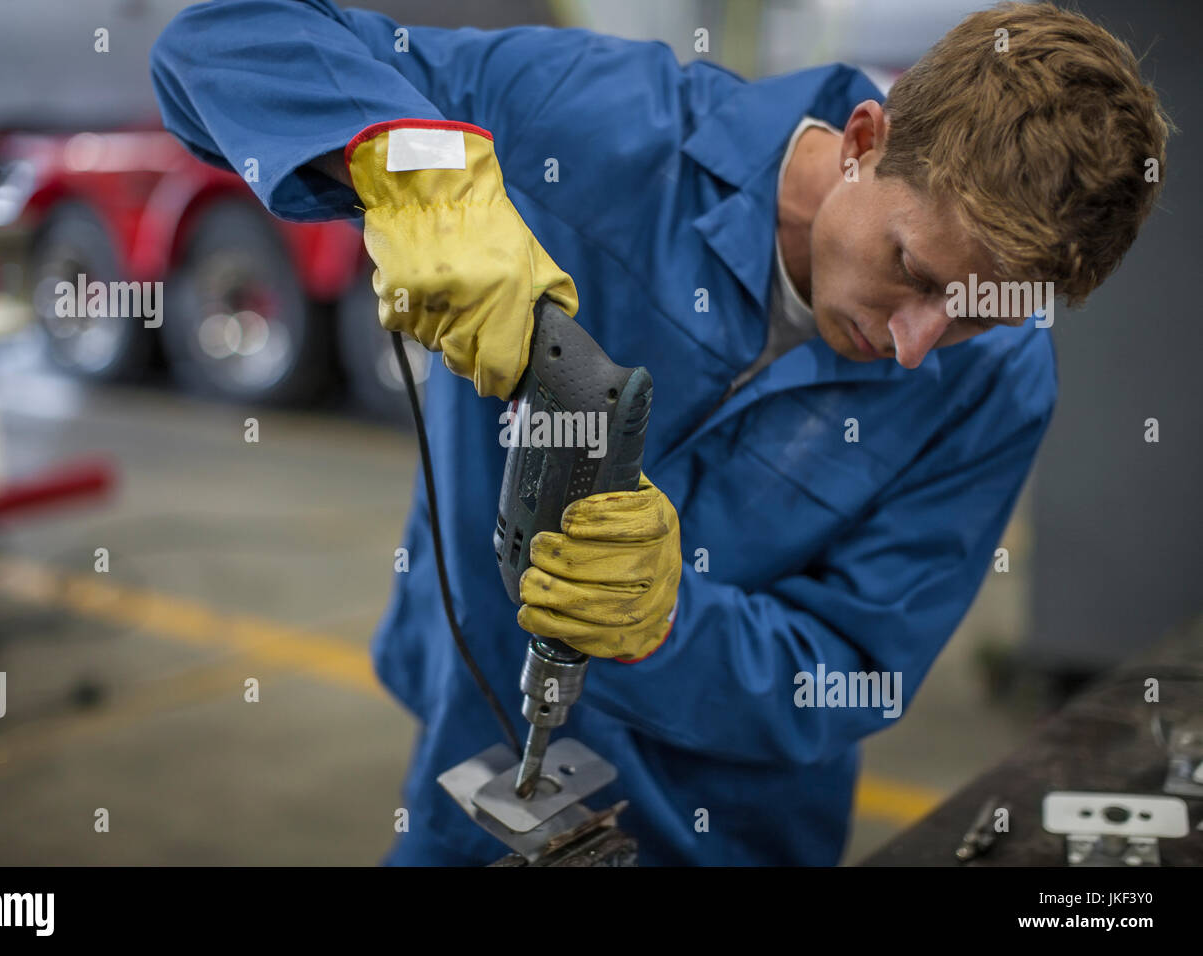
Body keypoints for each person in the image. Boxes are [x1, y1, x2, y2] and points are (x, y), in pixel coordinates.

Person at [150, 0, 1168, 865]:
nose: (916, 344)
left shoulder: (997, 385)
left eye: (977, 311)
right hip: (475, 761)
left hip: (727, 829)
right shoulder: (587, 126)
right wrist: (403, 163)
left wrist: (665, 621)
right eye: (914, 269)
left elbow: (858, 661)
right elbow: (222, 37)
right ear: (863, 141)